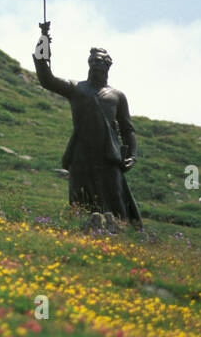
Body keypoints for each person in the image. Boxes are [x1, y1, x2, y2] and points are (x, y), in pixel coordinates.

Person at [32, 22, 141, 226]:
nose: (95, 64)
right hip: (80, 155)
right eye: (92, 61)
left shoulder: (117, 96)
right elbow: (46, 79)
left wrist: (132, 155)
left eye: (99, 61)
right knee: (79, 203)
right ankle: (80, 235)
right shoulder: (77, 89)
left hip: (109, 156)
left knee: (115, 202)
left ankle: (123, 236)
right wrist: (43, 41)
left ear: (108, 65)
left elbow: (128, 129)